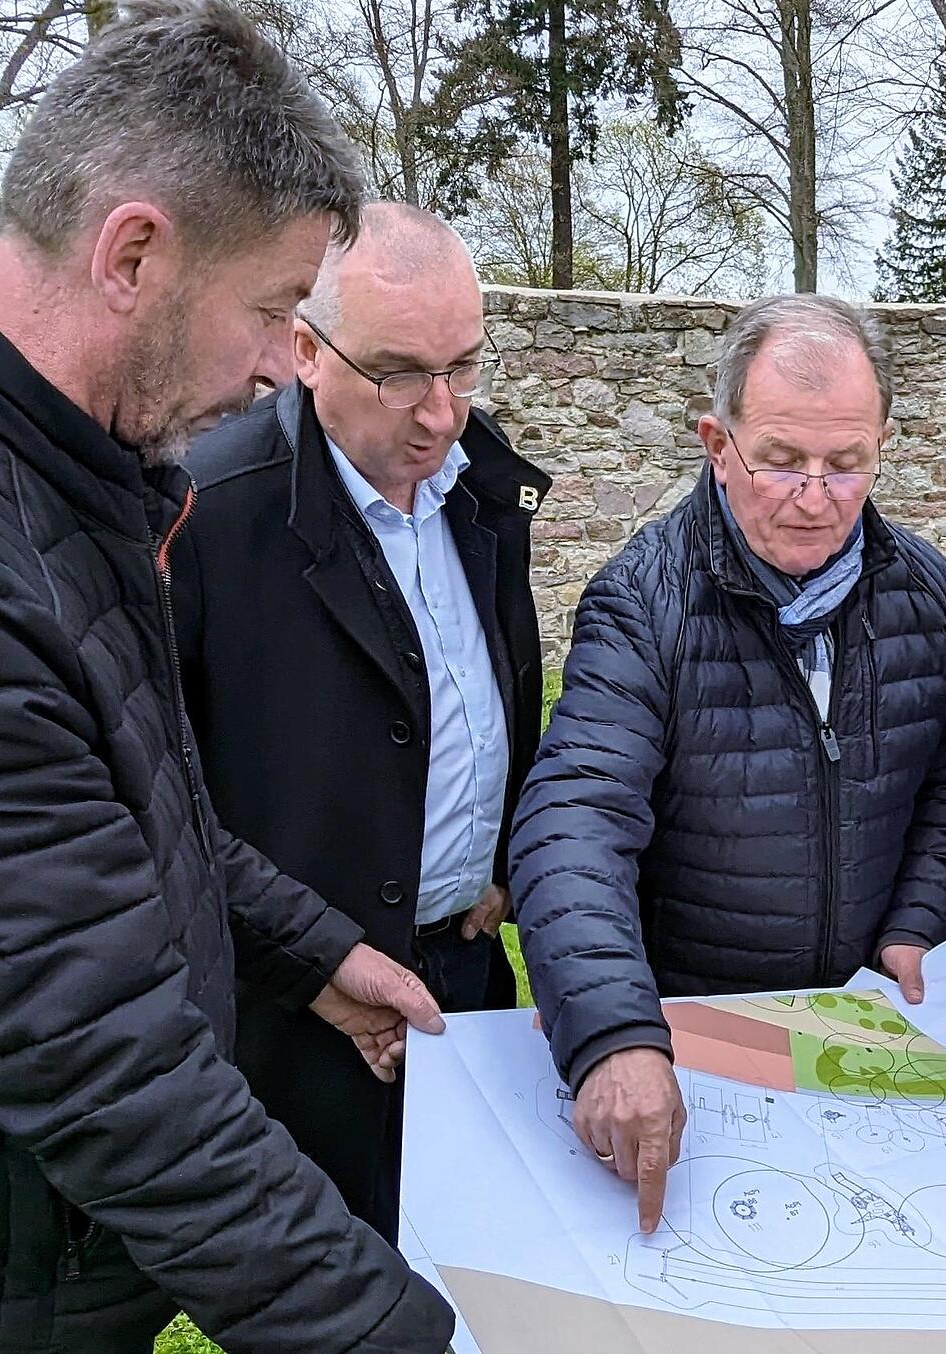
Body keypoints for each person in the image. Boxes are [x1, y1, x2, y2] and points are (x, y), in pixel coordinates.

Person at [0, 5, 455, 1352]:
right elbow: (108, 1070)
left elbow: (124, 806)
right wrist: (406, 1335)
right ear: (136, 254)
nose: (289, 361)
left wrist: (314, 949)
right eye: (278, 310)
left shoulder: (73, 471)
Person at [509, 293, 946, 1232]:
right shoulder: (643, 599)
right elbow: (576, 817)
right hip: (698, 1049)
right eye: (781, 462)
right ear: (716, 442)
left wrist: (916, 923)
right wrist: (614, 1032)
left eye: (847, 464)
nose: (816, 497)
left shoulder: (926, 591)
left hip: (863, 1037)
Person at [173, 201, 550, 1242]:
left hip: (465, 978)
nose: (439, 412)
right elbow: (152, 802)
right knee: (333, 1295)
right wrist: (313, 959)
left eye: (464, 365)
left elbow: (497, 694)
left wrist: (508, 842)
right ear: (303, 347)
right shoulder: (206, 514)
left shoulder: (481, 486)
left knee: (484, 1272)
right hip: (296, 1022)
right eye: (395, 373)